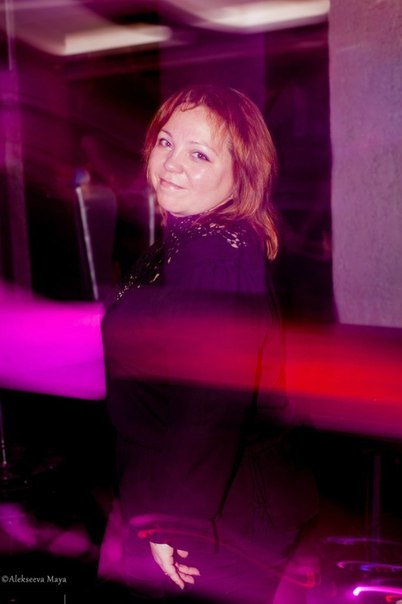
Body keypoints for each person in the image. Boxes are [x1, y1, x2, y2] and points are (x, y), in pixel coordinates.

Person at [100, 84, 318, 603]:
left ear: (241, 175)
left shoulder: (213, 252)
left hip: (221, 514)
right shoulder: (185, 238)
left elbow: (209, 402)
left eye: (200, 154)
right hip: (195, 491)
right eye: (166, 142)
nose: (172, 163)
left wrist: (172, 521)